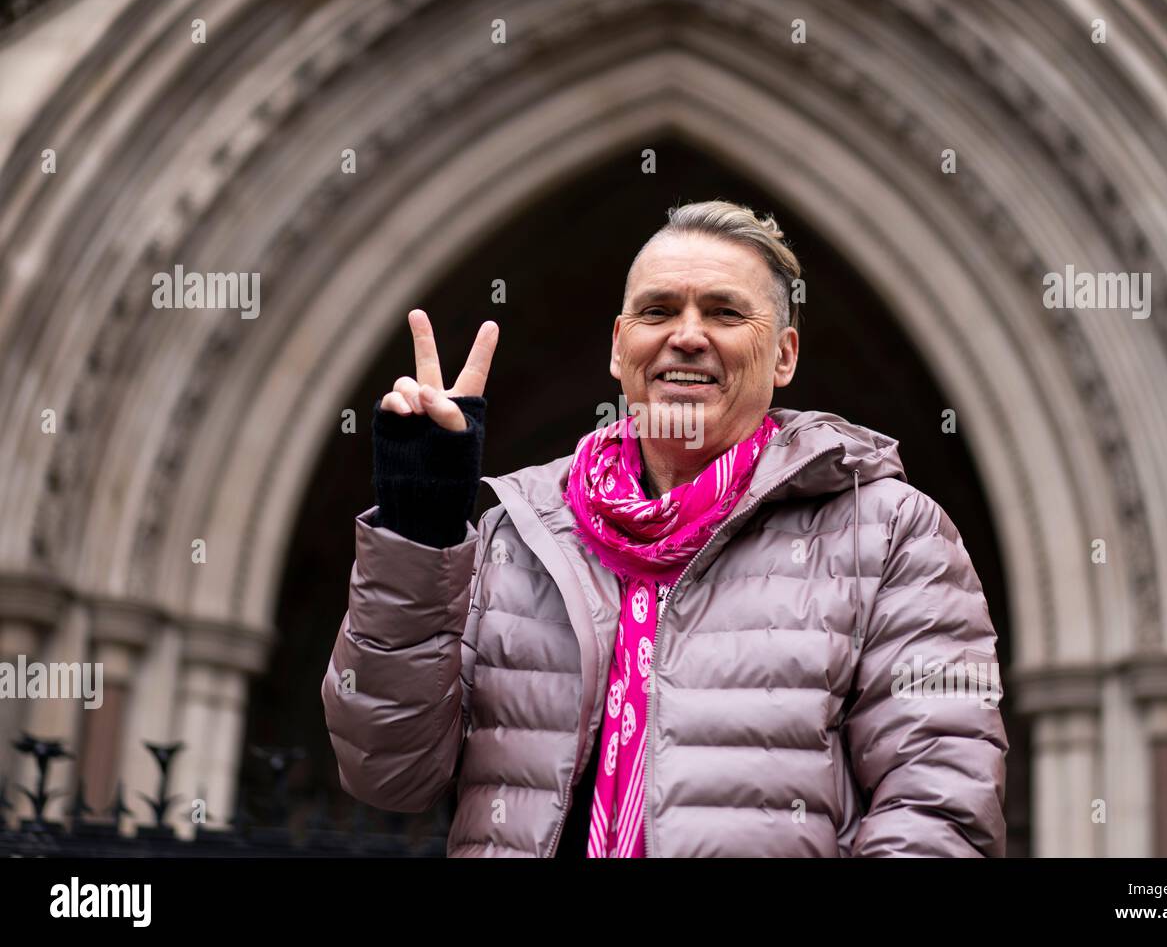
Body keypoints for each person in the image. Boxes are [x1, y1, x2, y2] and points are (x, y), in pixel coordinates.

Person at [320, 199, 1008, 857]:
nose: (686, 334)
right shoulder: (519, 534)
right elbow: (389, 772)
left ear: (785, 356)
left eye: (724, 312)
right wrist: (422, 528)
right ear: (621, 349)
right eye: (657, 311)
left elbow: (938, 802)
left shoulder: (887, 533)